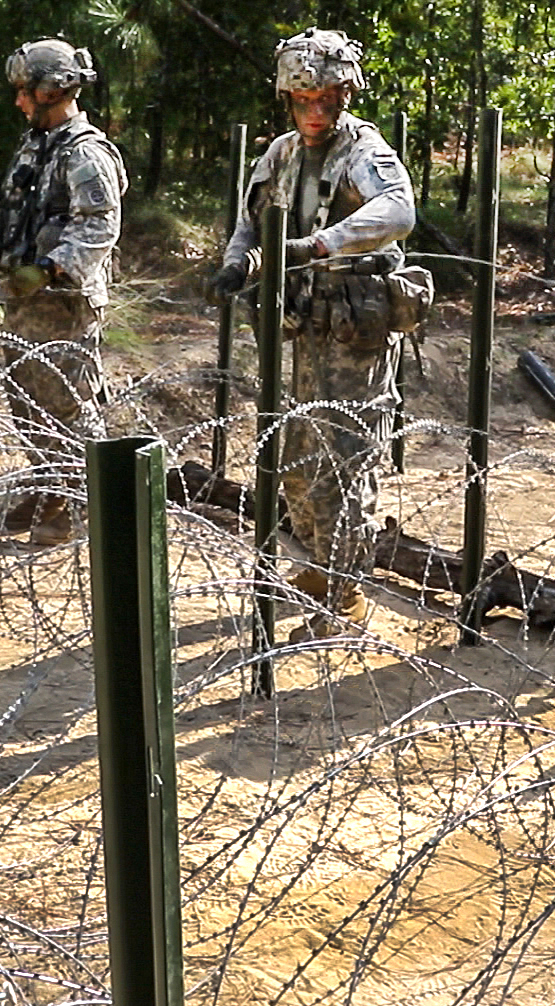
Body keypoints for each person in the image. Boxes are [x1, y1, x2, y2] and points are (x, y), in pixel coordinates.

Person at [205, 27, 428, 640]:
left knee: (346, 460)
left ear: (345, 94)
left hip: (351, 333)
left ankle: (346, 591)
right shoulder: (280, 154)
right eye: (302, 101)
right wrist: (235, 264)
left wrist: (319, 244)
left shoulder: (363, 150)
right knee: (295, 460)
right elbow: (252, 223)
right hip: (296, 328)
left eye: (326, 98)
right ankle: (322, 564)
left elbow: (399, 211)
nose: (314, 111)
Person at [0, 37, 128, 545]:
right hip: (23, 299)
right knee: (26, 401)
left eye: (25, 91)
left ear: (52, 90)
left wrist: (50, 269)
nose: (19, 101)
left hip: (64, 303)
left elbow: (98, 225)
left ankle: (92, 498)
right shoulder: (35, 146)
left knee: (68, 404)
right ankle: (54, 481)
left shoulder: (85, 153)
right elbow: (12, 210)